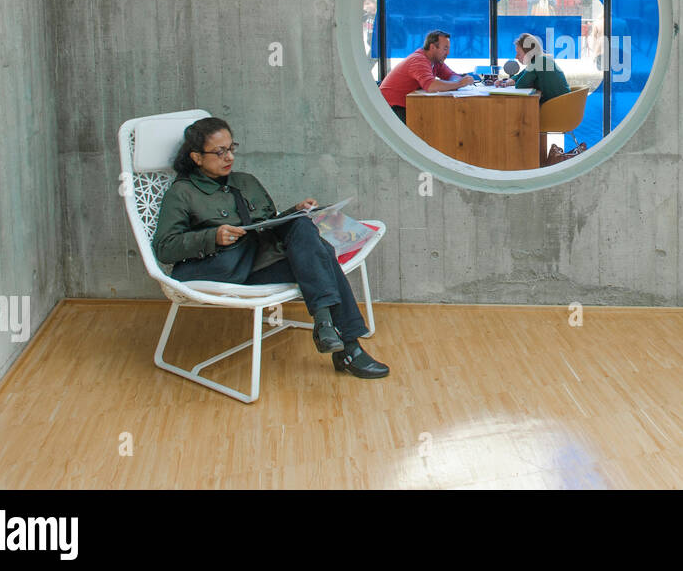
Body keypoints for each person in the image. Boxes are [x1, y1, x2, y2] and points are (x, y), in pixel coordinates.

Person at [151, 117, 388, 379]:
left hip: (262, 256)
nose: (229, 157)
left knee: (302, 228)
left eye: (232, 148)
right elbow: (164, 248)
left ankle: (327, 328)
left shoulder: (245, 181)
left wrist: (294, 212)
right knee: (321, 254)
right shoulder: (182, 193)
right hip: (231, 269)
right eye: (220, 152)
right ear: (196, 157)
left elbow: (266, 223)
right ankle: (345, 344)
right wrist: (212, 237)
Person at [379, 30, 474, 123]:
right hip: (390, 108)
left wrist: (460, 80)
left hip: (406, 104)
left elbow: (450, 75)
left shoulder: (436, 61)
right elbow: (431, 86)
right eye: (445, 48)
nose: (448, 53)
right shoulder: (418, 60)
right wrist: (459, 84)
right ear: (432, 47)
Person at [499, 32, 570, 104]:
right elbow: (520, 75)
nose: (516, 57)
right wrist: (507, 81)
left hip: (557, 107)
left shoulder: (539, 62)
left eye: (519, 54)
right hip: (564, 105)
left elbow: (520, 85)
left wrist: (517, 82)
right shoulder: (541, 59)